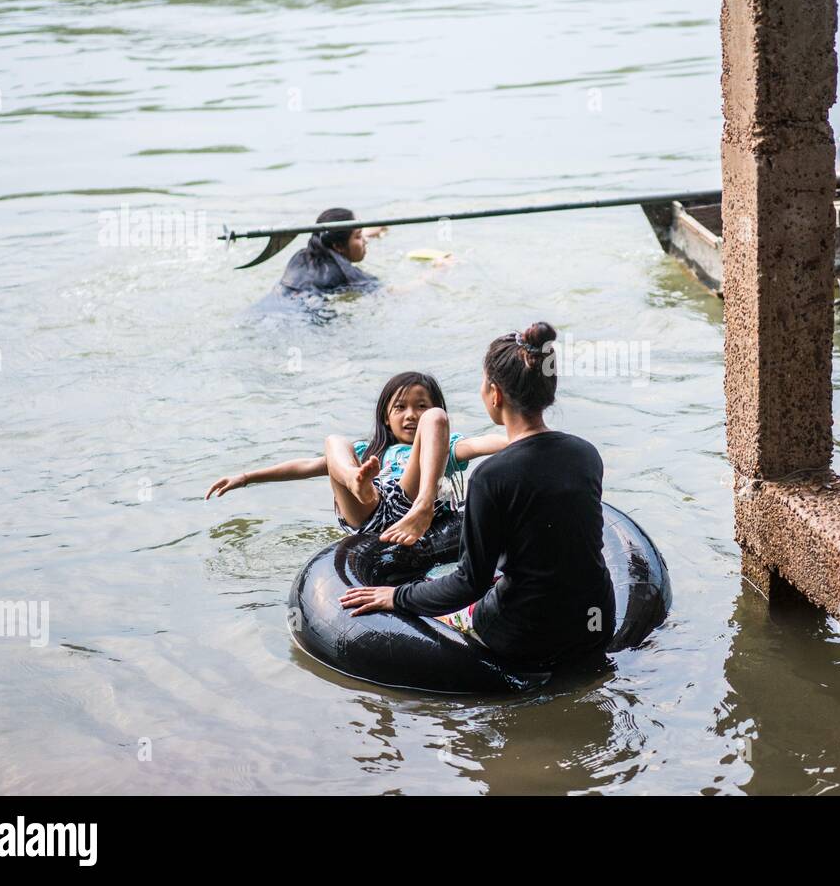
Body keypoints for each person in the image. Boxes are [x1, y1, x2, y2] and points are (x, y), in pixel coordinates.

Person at [339, 322, 617, 666]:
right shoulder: (586, 454)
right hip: (596, 623)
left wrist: (397, 596)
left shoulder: (491, 476)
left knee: (432, 621)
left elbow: (469, 583)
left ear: (495, 394)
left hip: (523, 635)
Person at [205, 371, 507, 546]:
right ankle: (355, 481)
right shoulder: (370, 452)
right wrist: (246, 477)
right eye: (400, 408)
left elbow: (481, 444)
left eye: (420, 406)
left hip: (410, 503)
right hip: (367, 509)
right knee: (334, 441)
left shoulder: (439, 448)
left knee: (437, 419)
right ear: (386, 419)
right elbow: (306, 467)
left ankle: (418, 503)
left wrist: (524, 438)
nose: (411, 414)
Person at [278, 207, 383, 294]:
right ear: (338, 246)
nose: (365, 241)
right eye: (358, 236)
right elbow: (385, 290)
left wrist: (370, 232)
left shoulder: (300, 256)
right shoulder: (345, 273)